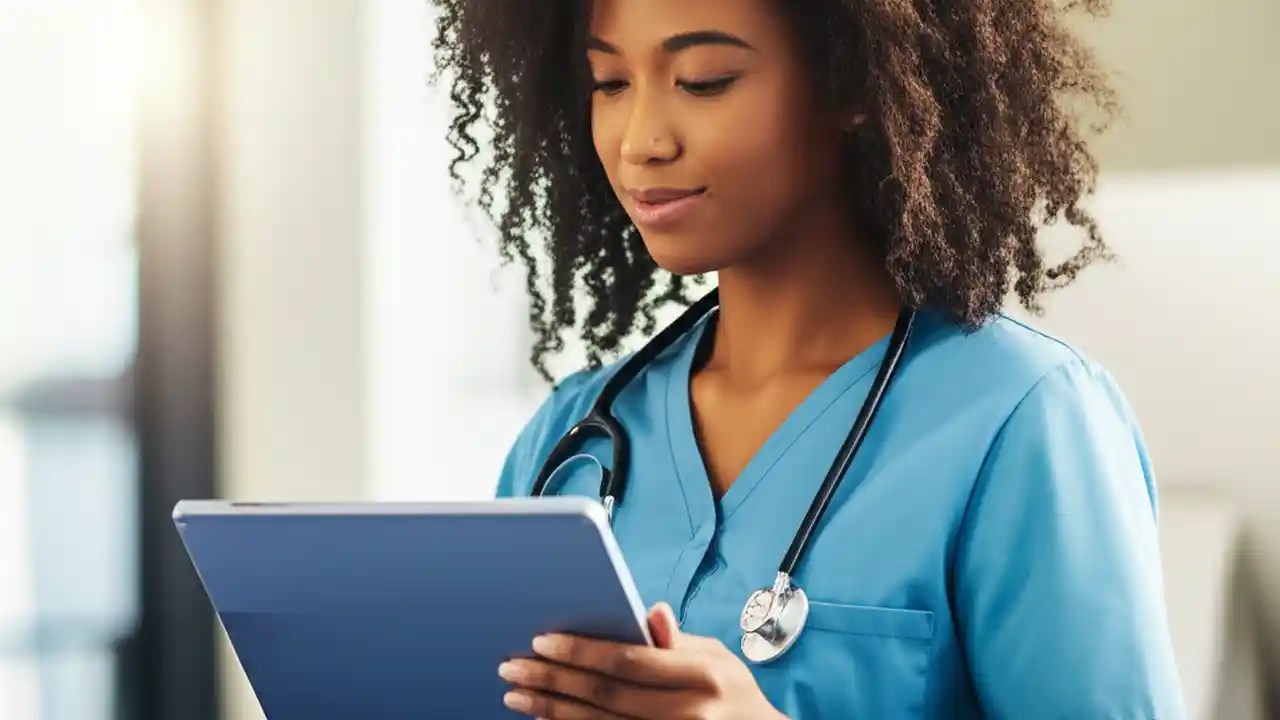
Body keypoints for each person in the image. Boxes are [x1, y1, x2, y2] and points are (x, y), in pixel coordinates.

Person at [432, 0, 1184, 717]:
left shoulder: (1022, 418)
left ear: (850, 81)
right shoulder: (570, 439)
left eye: (704, 82)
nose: (641, 141)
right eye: (611, 84)